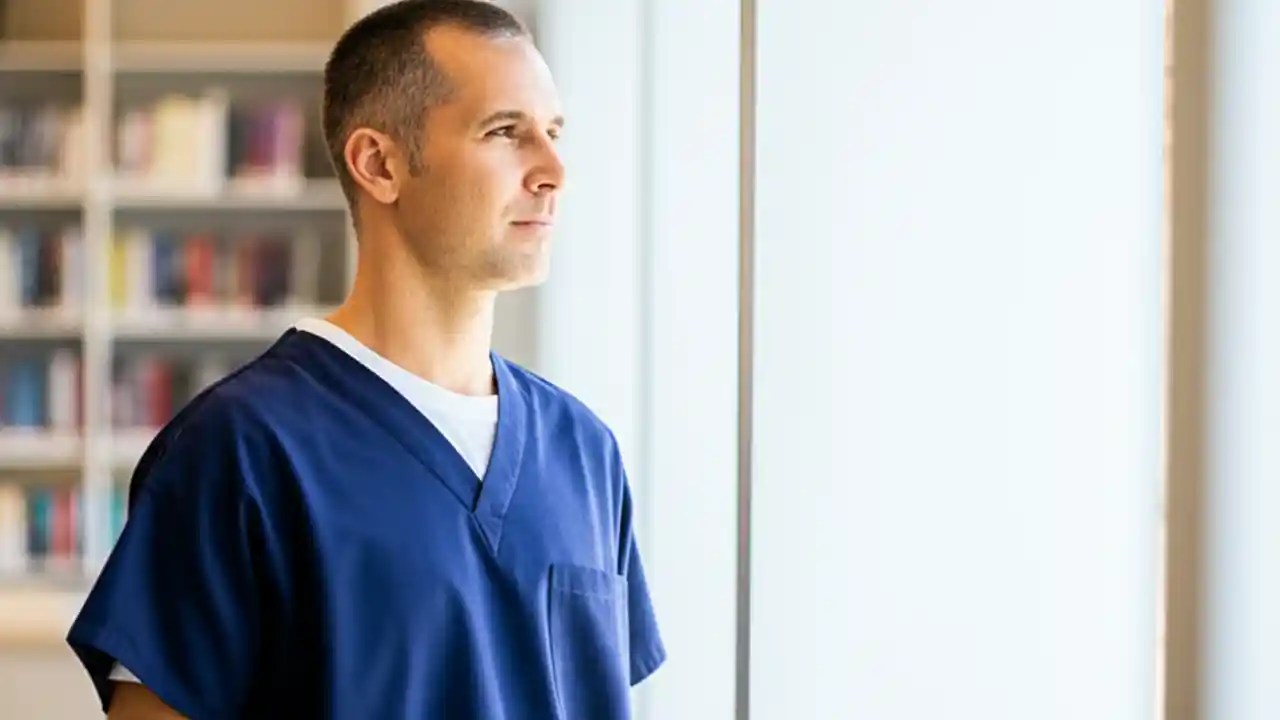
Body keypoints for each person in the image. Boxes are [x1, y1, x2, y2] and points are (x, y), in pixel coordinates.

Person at [65, 1, 665, 717]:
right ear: (378, 164)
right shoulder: (239, 452)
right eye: (506, 133)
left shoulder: (583, 451)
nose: (553, 170)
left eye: (554, 133)